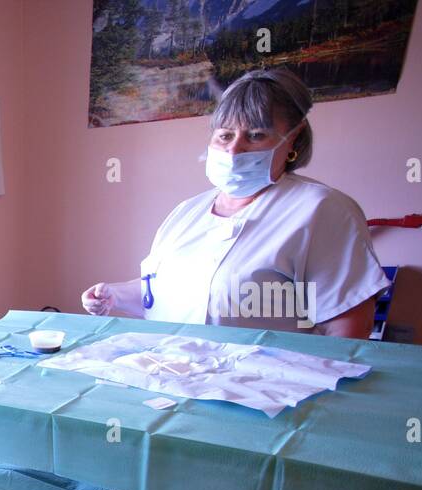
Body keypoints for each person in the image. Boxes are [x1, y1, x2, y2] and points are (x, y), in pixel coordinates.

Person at [82, 68, 390, 338]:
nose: (234, 150)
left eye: (256, 135)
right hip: (173, 376)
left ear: (292, 140)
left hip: (269, 392)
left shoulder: (322, 210)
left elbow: (348, 329)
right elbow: (165, 294)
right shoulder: (187, 213)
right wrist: (114, 295)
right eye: (225, 135)